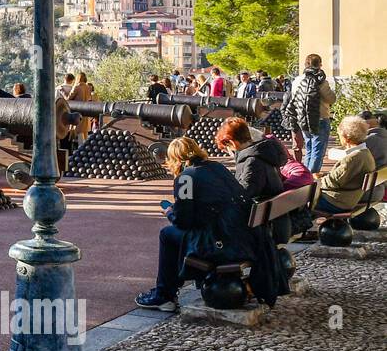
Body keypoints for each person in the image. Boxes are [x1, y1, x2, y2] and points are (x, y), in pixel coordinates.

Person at [135, 137, 274, 311]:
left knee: (167, 234)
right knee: (177, 235)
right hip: (243, 237)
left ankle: (164, 295)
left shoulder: (186, 178)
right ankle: (168, 290)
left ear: (175, 159)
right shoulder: (217, 167)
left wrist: (170, 212)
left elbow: (182, 221)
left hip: (222, 243)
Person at [283, 53, 337, 172]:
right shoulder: (321, 81)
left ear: (305, 65)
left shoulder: (297, 80)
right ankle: (311, 177)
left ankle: (305, 174)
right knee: (318, 150)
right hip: (320, 118)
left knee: (309, 148)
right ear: (320, 65)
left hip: (302, 118)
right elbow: (331, 99)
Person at [313, 115, 374, 215]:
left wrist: (316, 181)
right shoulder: (365, 153)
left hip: (337, 202)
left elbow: (333, 182)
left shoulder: (354, 157)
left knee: (300, 199)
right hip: (349, 198)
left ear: (346, 138)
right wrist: (324, 176)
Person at [215, 117, 284, 201]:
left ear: (232, 142)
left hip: (255, 208)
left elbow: (245, 193)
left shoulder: (252, 161)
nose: (229, 151)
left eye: (227, 147)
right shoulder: (264, 153)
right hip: (267, 207)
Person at [68, 71, 93, 141]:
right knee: (85, 135)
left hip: (77, 112)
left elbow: (69, 98)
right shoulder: (88, 87)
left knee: (79, 136)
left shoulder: (77, 86)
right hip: (86, 112)